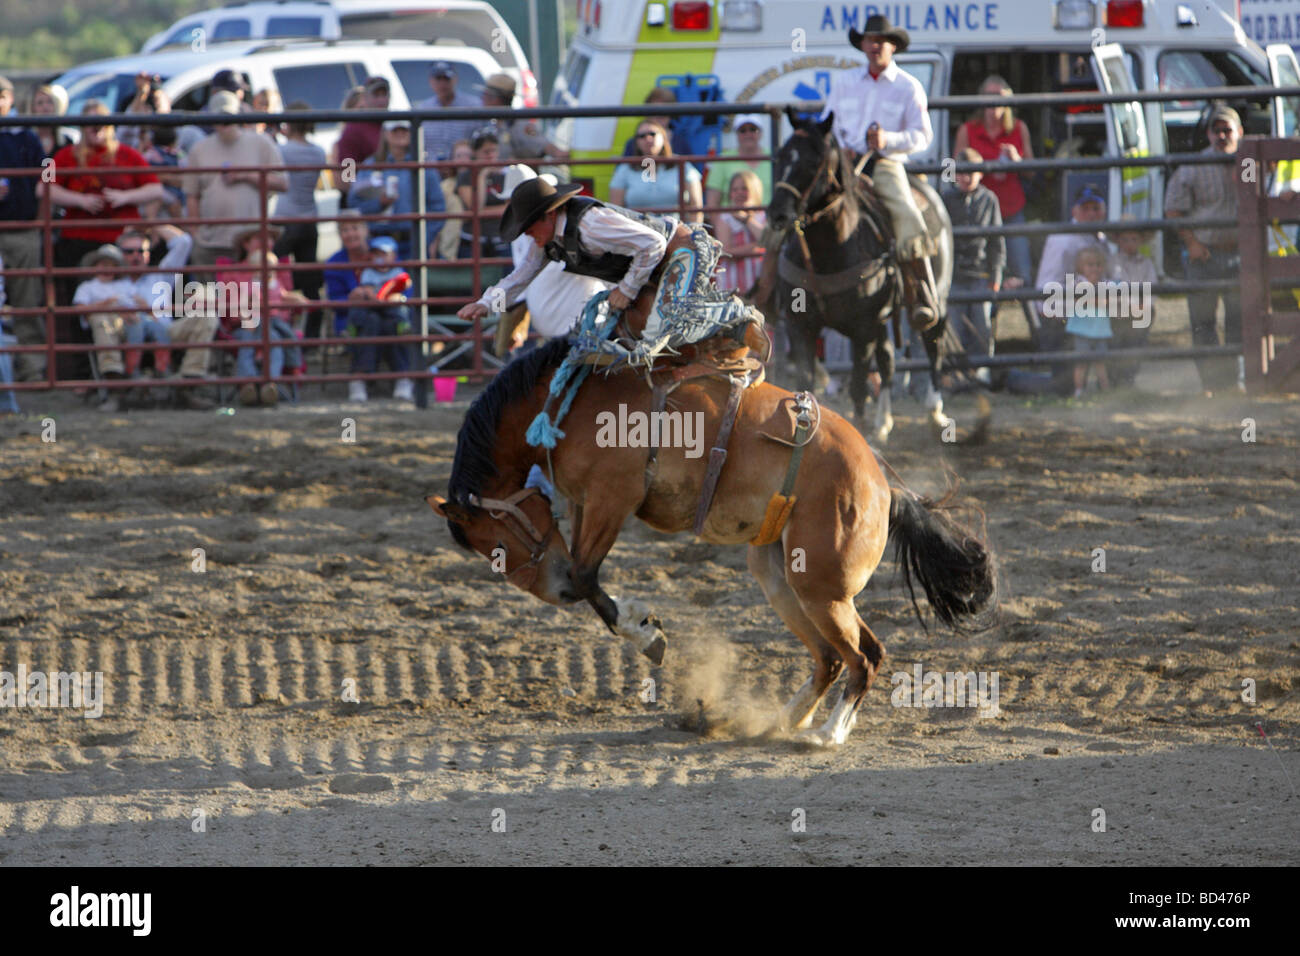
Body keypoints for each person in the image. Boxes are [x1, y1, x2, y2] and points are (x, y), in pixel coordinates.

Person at [820, 14, 941, 329]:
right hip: (844, 164)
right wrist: (838, 146)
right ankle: (772, 288)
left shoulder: (908, 86)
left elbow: (923, 137)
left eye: (882, 41)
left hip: (886, 163)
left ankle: (922, 292)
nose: (875, 46)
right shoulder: (844, 82)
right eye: (871, 40)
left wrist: (889, 139)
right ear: (862, 44)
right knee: (803, 204)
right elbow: (826, 123)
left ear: (893, 47)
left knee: (907, 213)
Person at [43, 100, 165, 378]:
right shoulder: (64, 156)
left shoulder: (127, 155)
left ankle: (140, 368)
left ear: (110, 126)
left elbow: (155, 188)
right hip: (81, 241)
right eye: (89, 122)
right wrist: (80, 200)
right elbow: (44, 187)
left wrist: (125, 197)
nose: (95, 128)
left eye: (101, 122)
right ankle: (87, 373)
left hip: (123, 243)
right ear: (81, 127)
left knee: (131, 304)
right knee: (83, 306)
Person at [456, 176, 682, 323]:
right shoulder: (547, 238)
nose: (525, 233)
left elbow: (654, 243)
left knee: (659, 334)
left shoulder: (590, 224)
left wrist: (627, 290)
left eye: (529, 225)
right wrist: (485, 304)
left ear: (550, 214)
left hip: (679, 253)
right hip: (653, 271)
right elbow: (522, 275)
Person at [491, 164, 613, 354]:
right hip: (550, 315)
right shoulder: (528, 232)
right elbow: (522, 273)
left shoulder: (573, 228)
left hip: (577, 317)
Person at [1164, 104, 1243, 394]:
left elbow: (1263, 195)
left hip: (1238, 252)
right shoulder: (1194, 165)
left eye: (1227, 129)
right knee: (1203, 323)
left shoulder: (1249, 163)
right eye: (1217, 130)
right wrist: (1192, 243)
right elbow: (1173, 209)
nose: (1222, 135)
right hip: (1205, 253)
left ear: (1239, 132)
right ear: (1209, 134)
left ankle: (1235, 383)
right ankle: (1212, 384)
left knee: (1240, 320)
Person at [181, 91, 287, 269]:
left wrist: (246, 176)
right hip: (211, 243)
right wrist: (196, 233)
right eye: (221, 117)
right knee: (210, 295)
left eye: (229, 116)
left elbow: (282, 183)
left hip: (250, 243)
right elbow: (192, 194)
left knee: (251, 295)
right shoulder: (199, 149)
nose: (226, 123)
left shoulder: (262, 143)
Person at [118, 224, 217, 408]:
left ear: (149, 253)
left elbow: (183, 242)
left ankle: (188, 384)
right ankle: (118, 390)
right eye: (129, 251)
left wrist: (151, 226)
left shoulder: (160, 276)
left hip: (166, 331)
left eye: (141, 250)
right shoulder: (110, 282)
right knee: (115, 324)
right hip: (125, 331)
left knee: (207, 316)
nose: (135, 256)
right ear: (120, 254)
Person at [954, 75, 1035, 287]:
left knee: (1022, 272)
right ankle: (986, 315)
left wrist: (1017, 161)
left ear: (1007, 99)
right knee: (981, 272)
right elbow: (952, 170)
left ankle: (1028, 317)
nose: (993, 102)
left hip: (1010, 208)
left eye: (998, 96)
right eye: (988, 96)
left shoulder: (1018, 128)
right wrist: (977, 168)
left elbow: (1033, 172)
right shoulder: (968, 130)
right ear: (981, 100)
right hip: (979, 212)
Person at [217, 226, 307, 407]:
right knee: (262, 339)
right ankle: (258, 384)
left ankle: (262, 385)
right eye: (260, 238)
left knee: (272, 338)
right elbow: (229, 308)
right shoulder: (232, 273)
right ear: (246, 244)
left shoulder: (277, 270)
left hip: (274, 323)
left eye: (270, 239)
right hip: (245, 325)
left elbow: (284, 297)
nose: (267, 243)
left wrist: (296, 300)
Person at [0, 75, 49, 380]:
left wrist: (39, 222)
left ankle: (34, 371)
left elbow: (47, 177)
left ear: (11, 99)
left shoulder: (27, 138)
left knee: (27, 300)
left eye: (1, 95)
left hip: (22, 230)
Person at [942, 148, 1004, 384]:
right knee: (954, 327)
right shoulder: (946, 199)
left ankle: (982, 372)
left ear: (980, 174)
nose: (966, 178)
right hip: (954, 274)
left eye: (971, 173)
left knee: (982, 325)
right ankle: (957, 375)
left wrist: (996, 275)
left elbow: (997, 241)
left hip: (980, 273)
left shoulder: (989, 200)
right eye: (961, 173)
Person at [351, 117, 446, 260]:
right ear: (386, 134)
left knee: (411, 281)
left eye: (404, 130)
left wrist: (423, 239)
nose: (400, 134)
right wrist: (378, 204)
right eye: (395, 130)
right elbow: (354, 203)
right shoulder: (370, 165)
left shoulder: (424, 166)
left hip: (411, 242)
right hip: (378, 242)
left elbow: (438, 207)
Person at [273, 102, 328, 340]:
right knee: (310, 282)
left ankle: (278, 328)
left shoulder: (283, 151)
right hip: (309, 220)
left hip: (285, 219)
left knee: (273, 275)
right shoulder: (318, 151)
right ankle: (312, 338)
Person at [1035, 185, 1109, 355]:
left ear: (1104, 211)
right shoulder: (1064, 240)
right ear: (1074, 211)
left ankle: (1119, 375)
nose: (1091, 214)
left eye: (1096, 208)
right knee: (1064, 380)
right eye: (1085, 209)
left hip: (1088, 310)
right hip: (1061, 316)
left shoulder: (1100, 238)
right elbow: (1047, 291)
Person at [71, 244, 142, 410]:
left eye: (112, 265)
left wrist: (129, 312)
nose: (107, 269)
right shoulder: (87, 287)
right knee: (101, 320)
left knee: (144, 324)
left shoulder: (125, 285)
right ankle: (114, 381)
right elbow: (79, 309)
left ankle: (143, 375)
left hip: (128, 326)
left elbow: (141, 304)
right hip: (103, 327)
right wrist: (106, 304)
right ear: (95, 266)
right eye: (104, 264)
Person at [347, 235, 414, 403]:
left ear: (394, 256)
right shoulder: (369, 272)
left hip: (390, 310)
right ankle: (361, 379)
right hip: (373, 309)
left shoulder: (399, 272)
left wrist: (392, 297)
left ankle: (401, 378)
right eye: (376, 254)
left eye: (384, 254)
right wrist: (376, 297)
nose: (380, 258)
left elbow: (402, 291)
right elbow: (368, 290)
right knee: (371, 322)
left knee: (392, 322)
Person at [608, 120, 703, 223]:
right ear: (636, 142)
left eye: (653, 134)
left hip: (676, 232)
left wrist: (693, 233)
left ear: (664, 137)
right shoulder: (625, 169)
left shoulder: (682, 165)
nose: (648, 139)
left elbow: (696, 207)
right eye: (642, 136)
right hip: (638, 232)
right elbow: (616, 210)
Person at [1106, 223, 1157, 388]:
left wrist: (1145, 304)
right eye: (1125, 239)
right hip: (1118, 310)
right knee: (1116, 343)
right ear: (1118, 241)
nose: (1130, 243)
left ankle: (1129, 378)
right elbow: (1111, 284)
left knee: (1136, 343)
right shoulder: (1112, 262)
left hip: (1140, 309)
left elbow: (1152, 286)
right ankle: (1114, 379)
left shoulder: (1147, 263)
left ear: (1141, 241)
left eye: (1134, 239)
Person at [1066, 245, 1112, 398]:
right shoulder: (1078, 282)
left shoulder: (1105, 283)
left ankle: (1104, 388)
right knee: (1081, 363)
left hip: (1100, 330)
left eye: (1098, 265)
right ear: (1081, 267)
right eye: (1090, 265)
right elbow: (1082, 300)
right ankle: (1079, 390)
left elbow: (1109, 302)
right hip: (1082, 330)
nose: (1095, 269)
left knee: (1101, 362)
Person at [456, 129, 509, 260]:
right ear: (475, 152)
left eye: (494, 150)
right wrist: (482, 175)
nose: (491, 155)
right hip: (472, 240)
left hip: (501, 239)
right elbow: (475, 207)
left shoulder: (507, 174)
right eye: (486, 152)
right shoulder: (466, 176)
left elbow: (512, 209)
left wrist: (483, 212)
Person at [704, 114, 771, 216]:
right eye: (743, 130)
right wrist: (722, 229)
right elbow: (712, 202)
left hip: (768, 224)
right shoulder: (722, 160)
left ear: (761, 133)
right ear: (736, 134)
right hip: (731, 226)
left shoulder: (774, 157)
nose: (748, 134)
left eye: (753, 129)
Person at [337, 76, 390, 204]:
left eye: (384, 94)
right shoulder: (354, 128)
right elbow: (347, 176)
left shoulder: (393, 125)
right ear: (365, 98)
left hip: (390, 194)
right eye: (376, 95)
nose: (381, 100)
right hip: (365, 198)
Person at [713, 169, 767, 293]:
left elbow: (765, 239)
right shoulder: (725, 218)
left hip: (760, 281)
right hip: (733, 282)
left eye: (744, 189)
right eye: (735, 190)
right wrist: (757, 246)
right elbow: (727, 252)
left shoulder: (762, 216)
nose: (739, 193)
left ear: (755, 191)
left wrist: (746, 219)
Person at [419, 61, 479, 166]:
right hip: (432, 169)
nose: (442, 84)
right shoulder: (423, 108)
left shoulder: (473, 105)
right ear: (431, 81)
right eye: (438, 79)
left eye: (446, 79)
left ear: (455, 79)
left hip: (464, 169)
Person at [437, 139, 473, 259]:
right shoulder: (444, 186)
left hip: (473, 239)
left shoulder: (482, 183)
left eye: (467, 155)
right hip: (449, 241)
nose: (463, 160)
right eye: (458, 156)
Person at [29, 83, 71, 158]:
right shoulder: (24, 142)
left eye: (49, 102)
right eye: (40, 103)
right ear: (32, 109)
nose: (45, 107)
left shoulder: (67, 142)